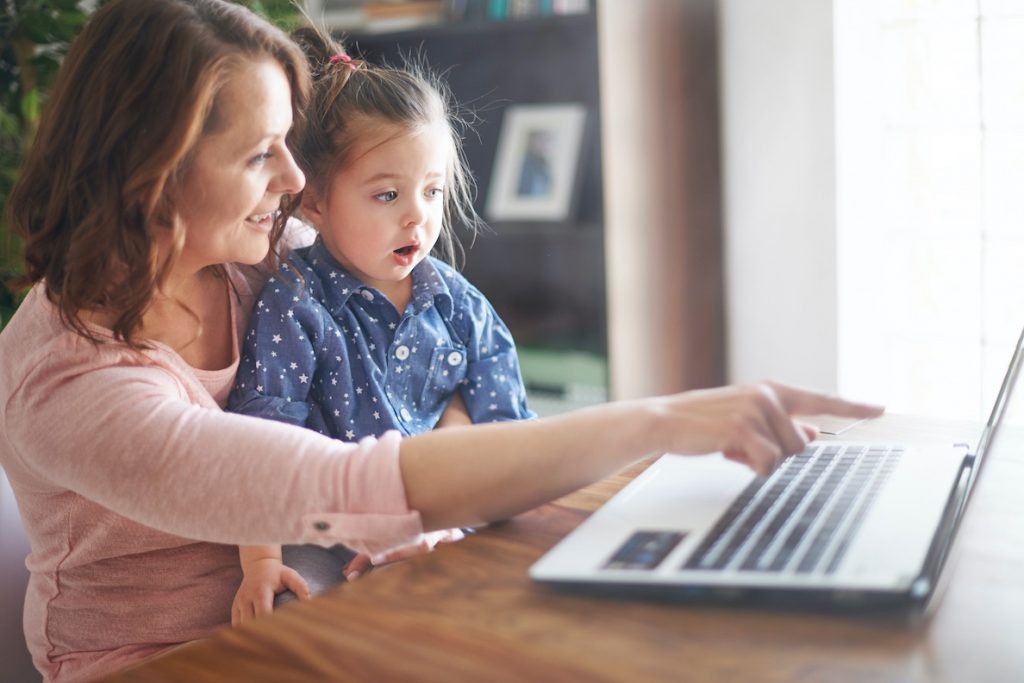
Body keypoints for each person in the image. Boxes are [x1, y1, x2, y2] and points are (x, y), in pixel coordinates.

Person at [0, 1, 883, 681]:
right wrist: (658, 419)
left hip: (331, 606)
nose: (299, 181)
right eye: (263, 153)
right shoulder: (69, 382)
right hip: (162, 658)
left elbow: (421, 357)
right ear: (157, 168)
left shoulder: (260, 257)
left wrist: (462, 416)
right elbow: (329, 483)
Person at [226, 29, 536, 619]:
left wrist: (441, 519)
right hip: (326, 535)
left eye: (433, 192)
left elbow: (510, 441)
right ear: (313, 202)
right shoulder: (295, 302)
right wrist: (262, 563)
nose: (418, 216)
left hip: (441, 519)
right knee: (307, 617)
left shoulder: (460, 305)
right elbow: (260, 445)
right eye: (388, 195)